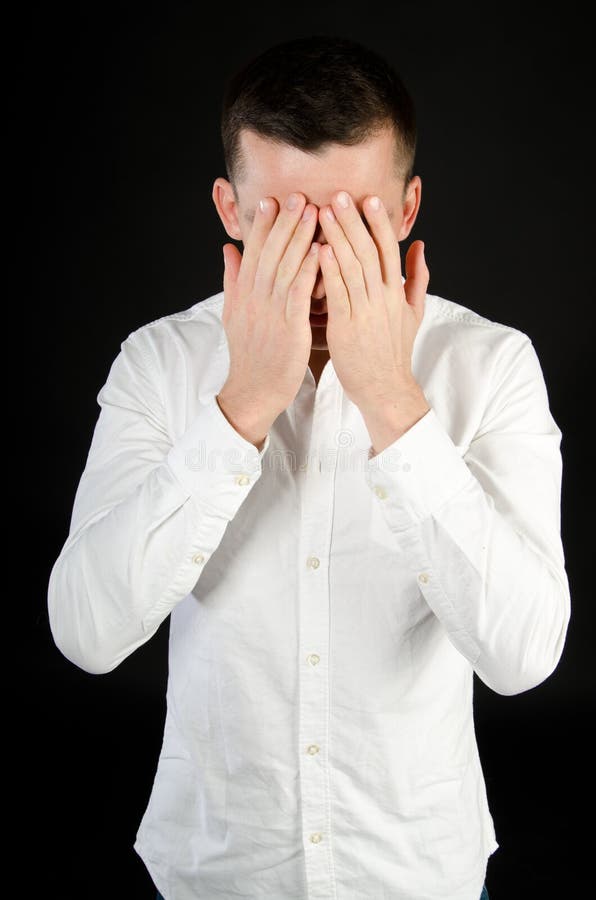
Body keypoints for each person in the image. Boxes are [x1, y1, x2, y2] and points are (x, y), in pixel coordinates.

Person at [47, 34, 570, 900]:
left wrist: (393, 403)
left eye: (356, 224)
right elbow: (86, 637)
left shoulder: (493, 364)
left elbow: (523, 658)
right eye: (282, 224)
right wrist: (242, 406)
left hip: (418, 874)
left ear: (406, 210)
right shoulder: (159, 363)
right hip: (215, 873)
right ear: (227, 208)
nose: (321, 265)